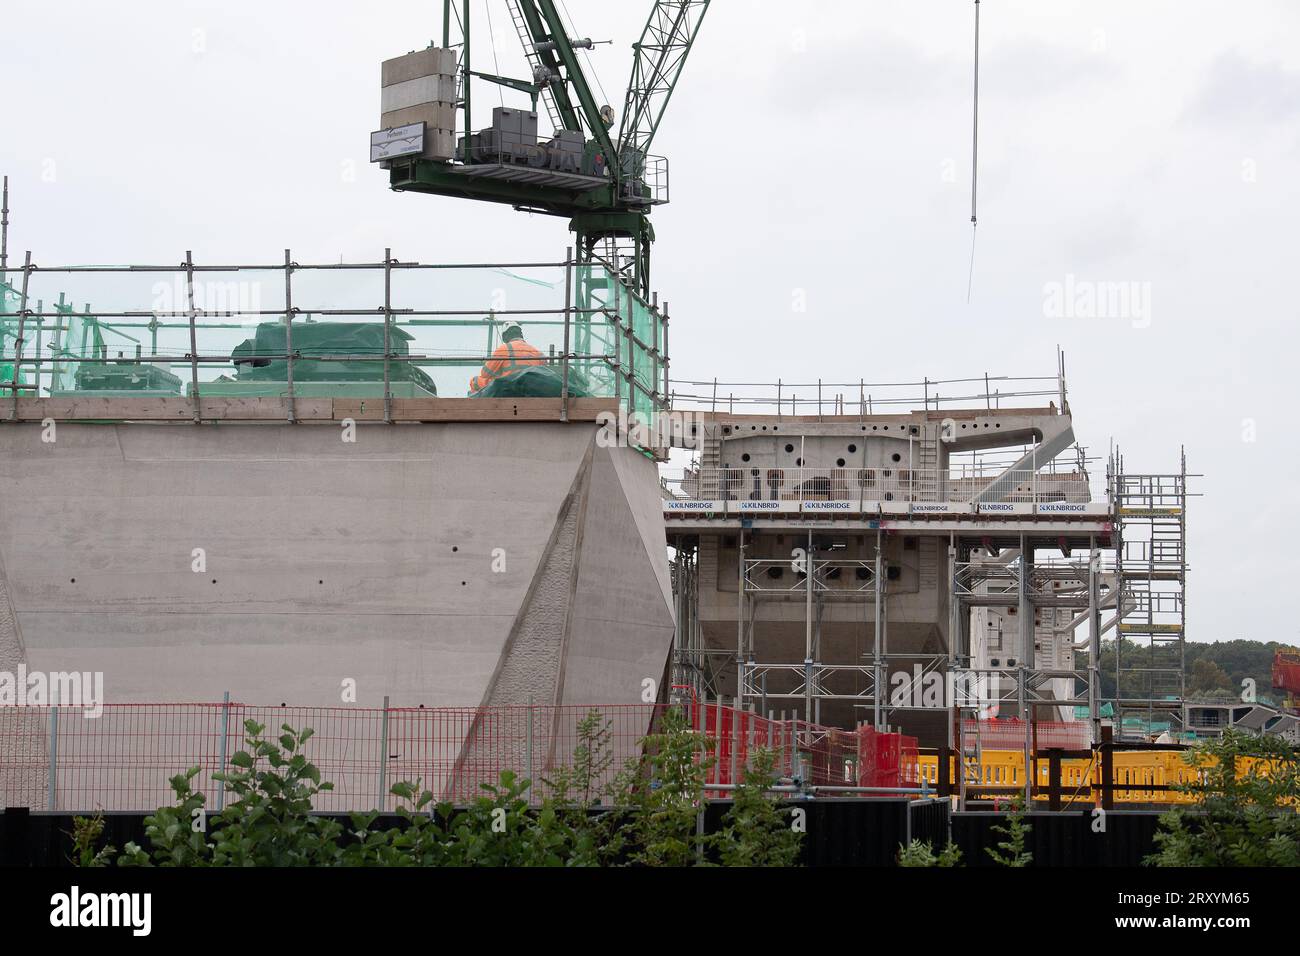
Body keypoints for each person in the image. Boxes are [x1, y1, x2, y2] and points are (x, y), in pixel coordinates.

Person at [468, 323, 545, 394]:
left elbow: (485, 374)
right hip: (532, 388)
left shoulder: (504, 349)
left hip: (508, 388)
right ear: (521, 335)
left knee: (475, 381)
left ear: (505, 336)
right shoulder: (538, 352)